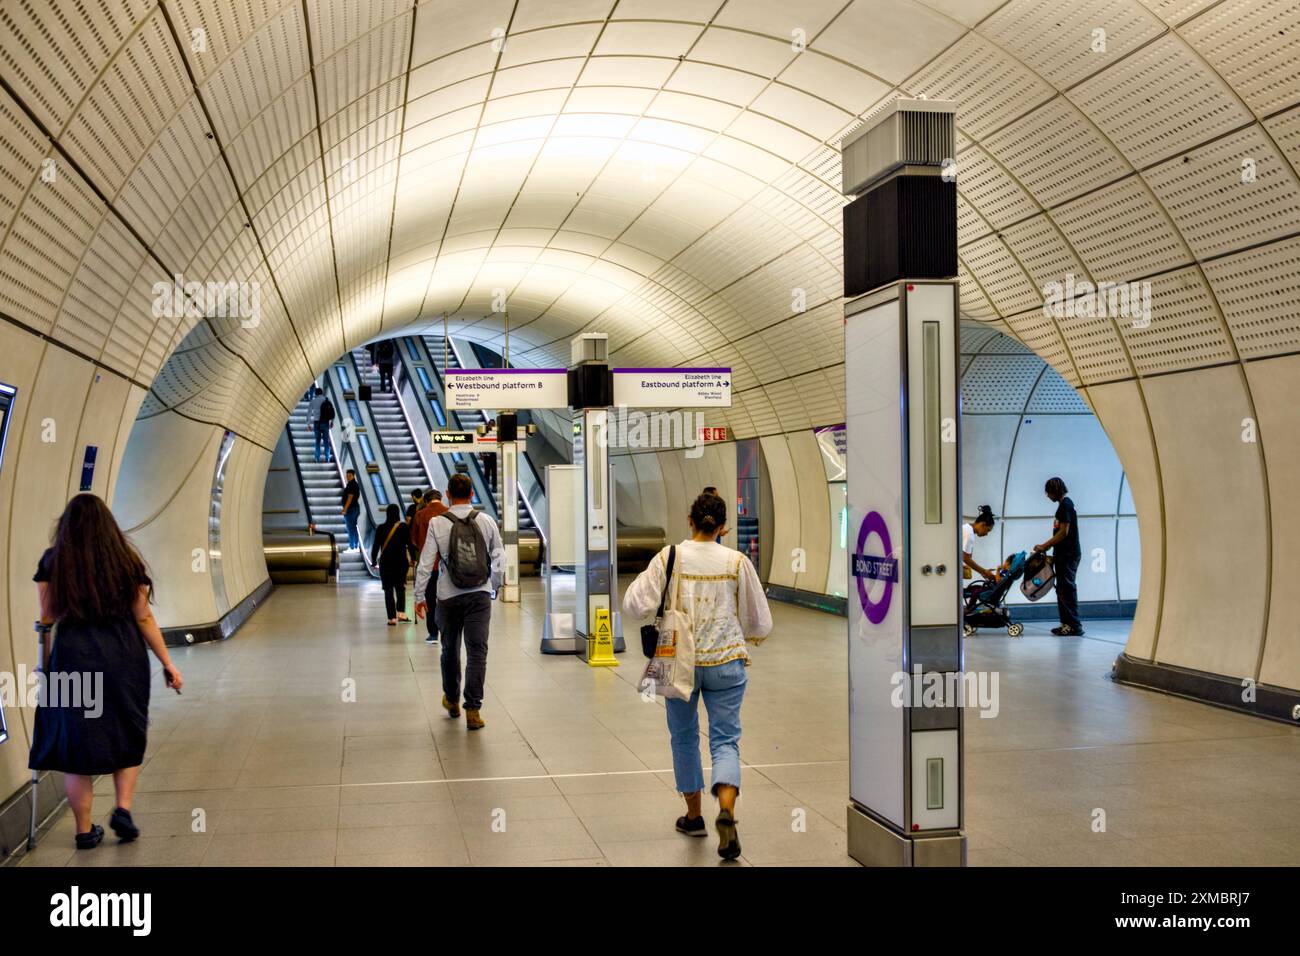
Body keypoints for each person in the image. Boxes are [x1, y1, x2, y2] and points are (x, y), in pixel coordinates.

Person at [29, 494, 184, 850]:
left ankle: (84, 831)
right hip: (122, 659)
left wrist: (46, 666)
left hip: (73, 659)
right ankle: (123, 809)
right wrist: (168, 663)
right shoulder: (125, 561)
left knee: (76, 747)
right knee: (127, 731)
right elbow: (143, 616)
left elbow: (47, 618)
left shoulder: (54, 562)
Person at [623, 491, 772, 861]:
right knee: (725, 740)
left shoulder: (670, 556)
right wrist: (746, 632)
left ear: (690, 521)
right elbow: (760, 621)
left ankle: (693, 816)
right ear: (724, 526)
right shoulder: (737, 562)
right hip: (726, 662)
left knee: (685, 738)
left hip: (680, 664)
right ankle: (728, 810)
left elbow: (634, 604)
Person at [413, 473, 504, 730]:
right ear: (472, 494)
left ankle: (452, 699)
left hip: (448, 596)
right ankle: (473, 710)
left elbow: (425, 561)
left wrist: (419, 596)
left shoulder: (437, 524)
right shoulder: (486, 521)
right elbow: (499, 557)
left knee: (449, 649)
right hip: (479, 594)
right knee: (477, 652)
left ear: (448, 494)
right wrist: (493, 586)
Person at [1034, 476, 1084, 637]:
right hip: (1063, 554)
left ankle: (1074, 626)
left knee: (1067, 589)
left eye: (1048, 492)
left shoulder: (1066, 505)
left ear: (1055, 491)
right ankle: (1066, 624)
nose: (1047, 496)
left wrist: (1044, 546)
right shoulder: (1063, 505)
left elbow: (1064, 532)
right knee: (1062, 589)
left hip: (1069, 554)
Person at [412, 489, 448, 645]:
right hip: (447, 566)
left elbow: (414, 539)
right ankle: (447, 632)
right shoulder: (449, 513)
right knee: (447, 599)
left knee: (430, 599)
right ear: (440, 498)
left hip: (429, 565)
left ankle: (433, 634)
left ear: (426, 501)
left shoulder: (420, 515)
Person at [371, 503, 413, 626]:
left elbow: (375, 547)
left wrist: (374, 561)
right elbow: (409, 544)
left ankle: (392, 618)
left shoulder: (380, 528)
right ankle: (401, 614)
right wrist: (413, 559)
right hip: (401, 562)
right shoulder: (404, 527)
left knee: (388, 590)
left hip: (386, 563)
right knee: (400, 587)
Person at [961, 505, 997, 581]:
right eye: (987, 530)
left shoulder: (966, 528)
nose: (986, 534)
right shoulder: (969, 534)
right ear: (983, 524)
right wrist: (984, 572)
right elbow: (965, 558)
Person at [341, 468, 361, 551]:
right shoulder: (353, 484)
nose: (348, 477)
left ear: (353, 476)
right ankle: (356, 546)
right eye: (347, 476)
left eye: (349, 476)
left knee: (350, 528)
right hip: (354, 508)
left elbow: (350, 498)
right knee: (353, 527)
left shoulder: (352, 485)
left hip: (351, 509)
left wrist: (345, 509)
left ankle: (352, 547)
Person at [307, 386, 327, 462]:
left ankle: (317, 458)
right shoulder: (326, 400)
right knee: (326, 441)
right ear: (322, 393)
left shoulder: (313, 401)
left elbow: (309, 413)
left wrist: (308, 424)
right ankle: (327, 457)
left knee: (317, 441)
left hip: (316, 423)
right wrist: (331, 421)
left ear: (315, 394)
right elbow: (331, 411)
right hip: (325, 422)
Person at [480, 419, 497, 491]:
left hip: (493, 454)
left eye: (493, 424)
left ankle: (494, 486)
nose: (492, 426)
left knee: (494, 471)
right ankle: (486, 485)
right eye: (490, 424)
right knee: (487, 470)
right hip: (486, 454)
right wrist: (481, 454)